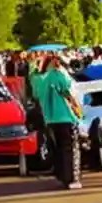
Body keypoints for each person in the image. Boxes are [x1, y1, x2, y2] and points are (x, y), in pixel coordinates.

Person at [31, 55, 82, 190]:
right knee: (70, 148)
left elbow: (35, 94)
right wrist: (77, 108)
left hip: (50, 118)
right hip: (65, 116)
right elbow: (67, 90)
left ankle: (62, 175)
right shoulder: (57, 75)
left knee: (58, 148)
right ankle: (71, 177)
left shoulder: (40, 80)